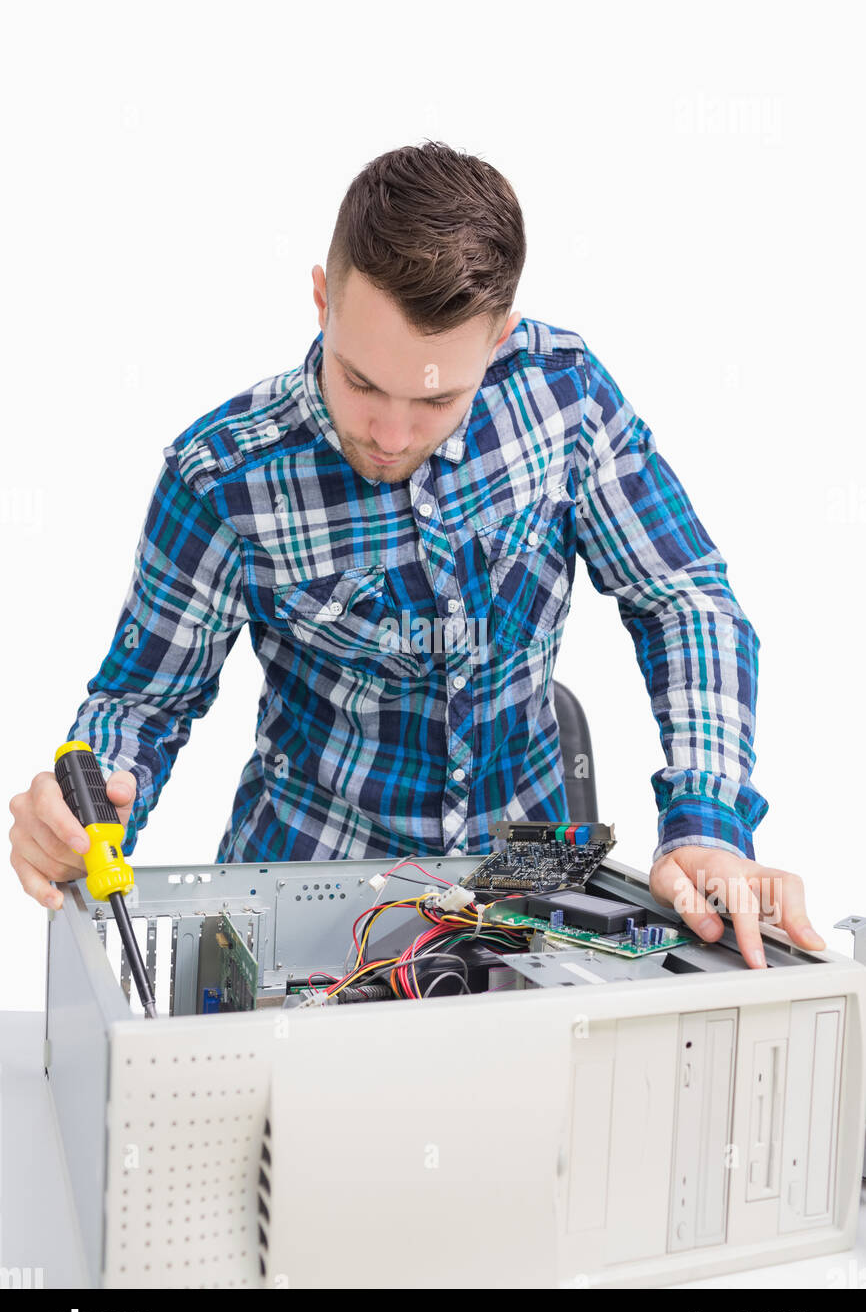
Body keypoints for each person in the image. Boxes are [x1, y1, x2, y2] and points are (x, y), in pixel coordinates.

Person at [8, 140, 823, 969]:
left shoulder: (565, 396)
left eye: (436, 398)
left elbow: (682, 598)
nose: (392, 436)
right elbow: (142, 705)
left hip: (527, 885)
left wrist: (707, 824)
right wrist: (83, 815)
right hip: (308, 888)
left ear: (499, 336)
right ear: (323, 300)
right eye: (360, 382)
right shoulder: (224, 477)